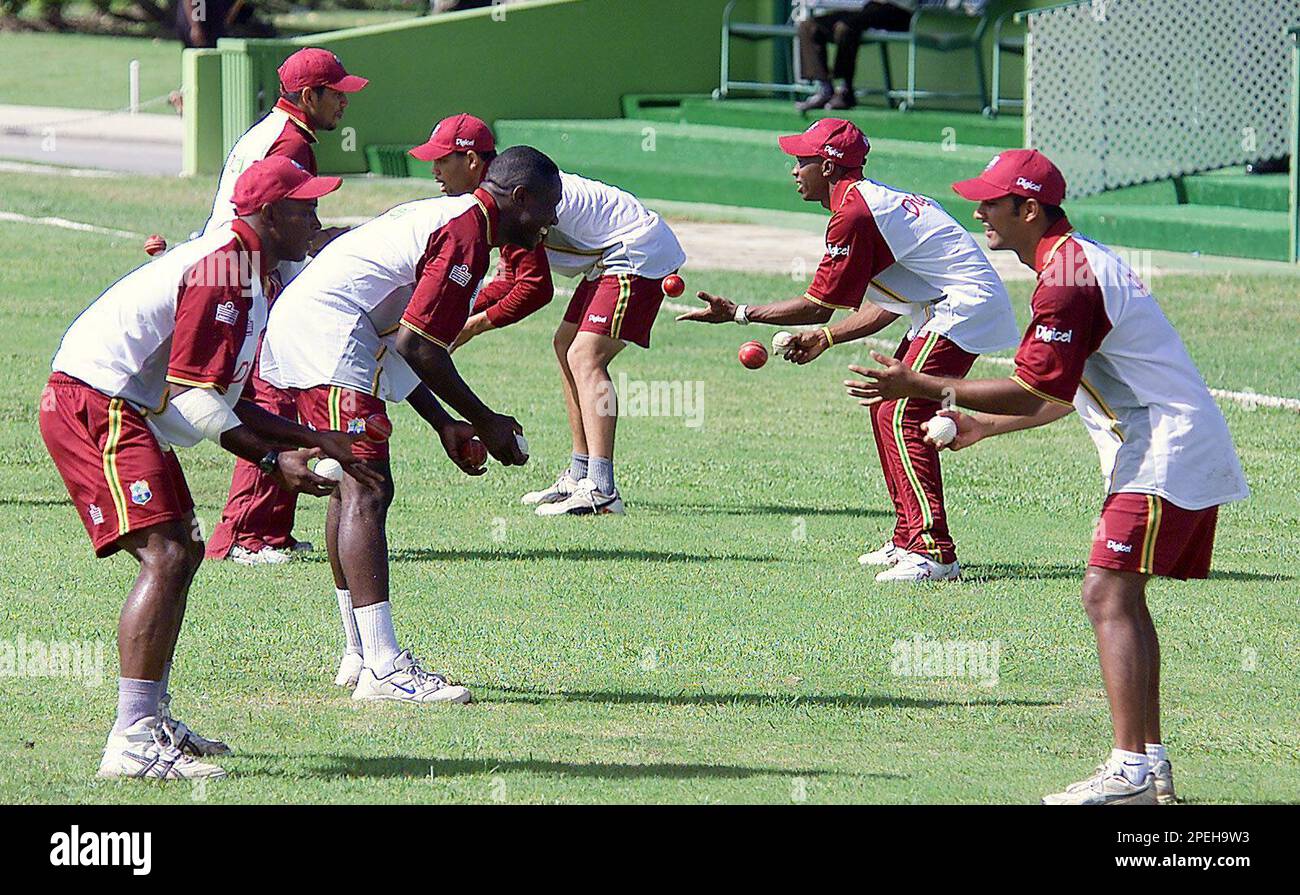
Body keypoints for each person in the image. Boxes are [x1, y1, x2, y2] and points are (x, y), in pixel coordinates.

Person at [843, 149, 1250, 804]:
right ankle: (1148, 764)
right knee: (1121, 595)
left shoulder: (1066, 275)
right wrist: (984, 426)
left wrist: (915, 381)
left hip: (1166, 446)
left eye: (991, 201)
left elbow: (1032, 383)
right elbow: (1059, 392)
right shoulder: (1069, 263)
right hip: (1164, 443)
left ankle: (1131, 772)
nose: (977, 211)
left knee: (1104, 592)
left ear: (1029, 209)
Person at [40, 157, 380, 780]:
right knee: (167, 554)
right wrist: (274, 459)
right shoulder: (224, 267)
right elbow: (194, 396)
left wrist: (310, 435)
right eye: (305, 209)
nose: (316, 220)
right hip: (96, 399)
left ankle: (150, 718)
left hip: (122, 403)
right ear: (270, 216)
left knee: (184, 551)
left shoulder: (247, 267)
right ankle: (132, 741)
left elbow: (223, 393)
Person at [259, 145, 562, 698]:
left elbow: (402, 337)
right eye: (549, 207)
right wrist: (485, 420)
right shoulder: (467, 230)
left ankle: (359, 651)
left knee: (352, 490)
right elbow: (418, 345)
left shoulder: (453, 219)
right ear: (519, 198)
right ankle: (383, 667)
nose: (552, 221)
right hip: (327, 336)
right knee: (367, 487)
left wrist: (444, 422)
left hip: (325, 331)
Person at [679, 118, 1018, 581]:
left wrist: (740, 312)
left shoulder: (855, 213)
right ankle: (907, 538)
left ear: (827, 164)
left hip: (963, 307)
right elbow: (890, 304)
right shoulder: (865, 205)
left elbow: (818, 306)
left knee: (904, 415)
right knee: (886, 409)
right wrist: (828, 338)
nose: (794, 169)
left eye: (802, 160)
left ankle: (935, 552)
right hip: (942, 304)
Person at [418, 114, 687, 516]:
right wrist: (456, 314)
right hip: (609, 256)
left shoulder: (512, 195)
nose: (434, 171)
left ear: (472, 161)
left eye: (442, 160)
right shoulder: (499, 195)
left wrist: (471, 326)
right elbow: (509, 277)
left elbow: (534, 289)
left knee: (585, 356)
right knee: (565, 345)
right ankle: (581, 473)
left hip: (636, 250)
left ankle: (602, 489)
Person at [195, 48, 369, 566]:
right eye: (336, 93)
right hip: (249, 276)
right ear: (308, 96)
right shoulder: (290, 142)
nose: (344, 102)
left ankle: (270, 529)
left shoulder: (284, 133)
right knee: (273, 399)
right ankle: (247, 535)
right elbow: (275, 218)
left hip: (248, 270)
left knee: (279, 395)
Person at [795, 0, 915, 112]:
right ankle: (825, 89)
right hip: (865, 8)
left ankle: (845, 90)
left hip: (898, 11)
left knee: (845, 28)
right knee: (808, 26)